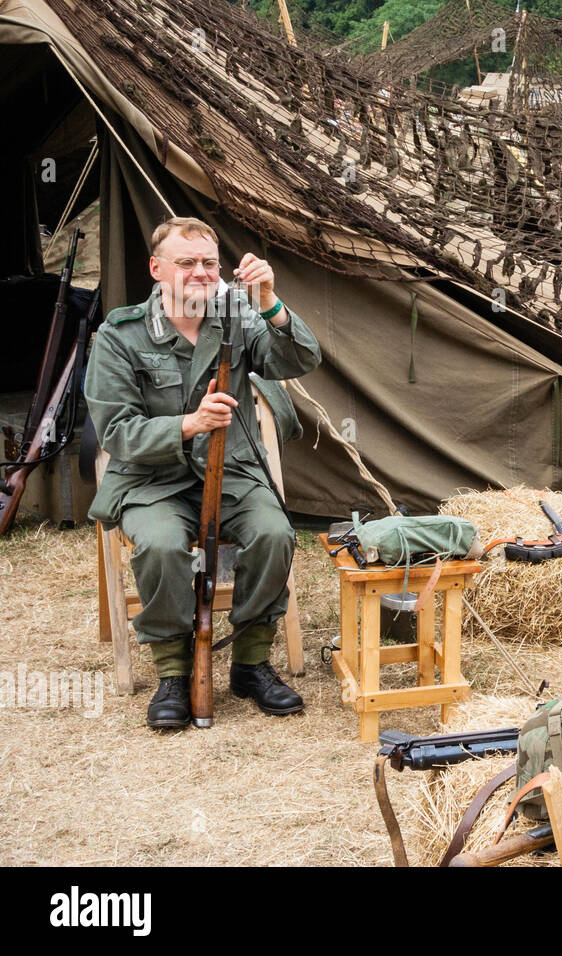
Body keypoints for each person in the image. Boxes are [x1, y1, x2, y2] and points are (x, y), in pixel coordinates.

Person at [85, 217, 322, 730]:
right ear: (156, 268)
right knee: (163, 546)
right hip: (154, 479)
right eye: (186, 262)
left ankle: (250, 663)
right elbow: (118, 433)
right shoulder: (120, 336)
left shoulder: (236, 316)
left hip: (231, 471)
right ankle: (173, 670)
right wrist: (188, 425)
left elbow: (300, 358)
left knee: (274, 533)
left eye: (209, 264)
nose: (200, 273)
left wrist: (270, 302)